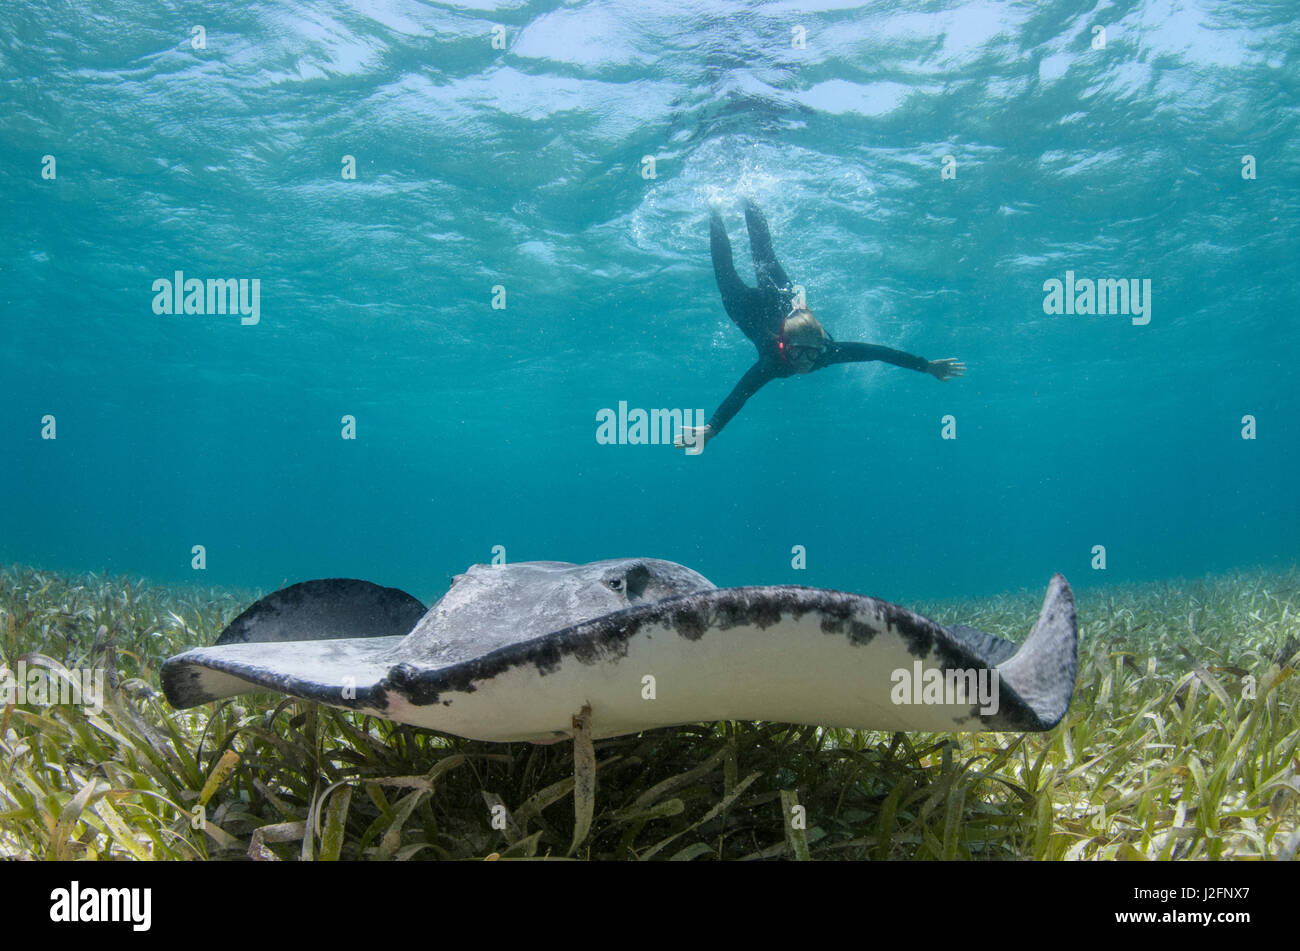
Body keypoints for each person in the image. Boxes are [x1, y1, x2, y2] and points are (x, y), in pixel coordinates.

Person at [676, 200, 964, 452]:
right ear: (784, 346)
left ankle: (719, 205)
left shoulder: (827, 352)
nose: (805, 361)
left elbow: (878, 352)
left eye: (812, 353)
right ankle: (738, 197)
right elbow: (741, 394)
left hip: (750, 308)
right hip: (762, 308)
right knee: (762, 254)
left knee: (730, 267)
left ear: (822, 347)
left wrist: (927, 366)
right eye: (798, 353)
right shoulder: (773, 362)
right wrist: (711, 429)